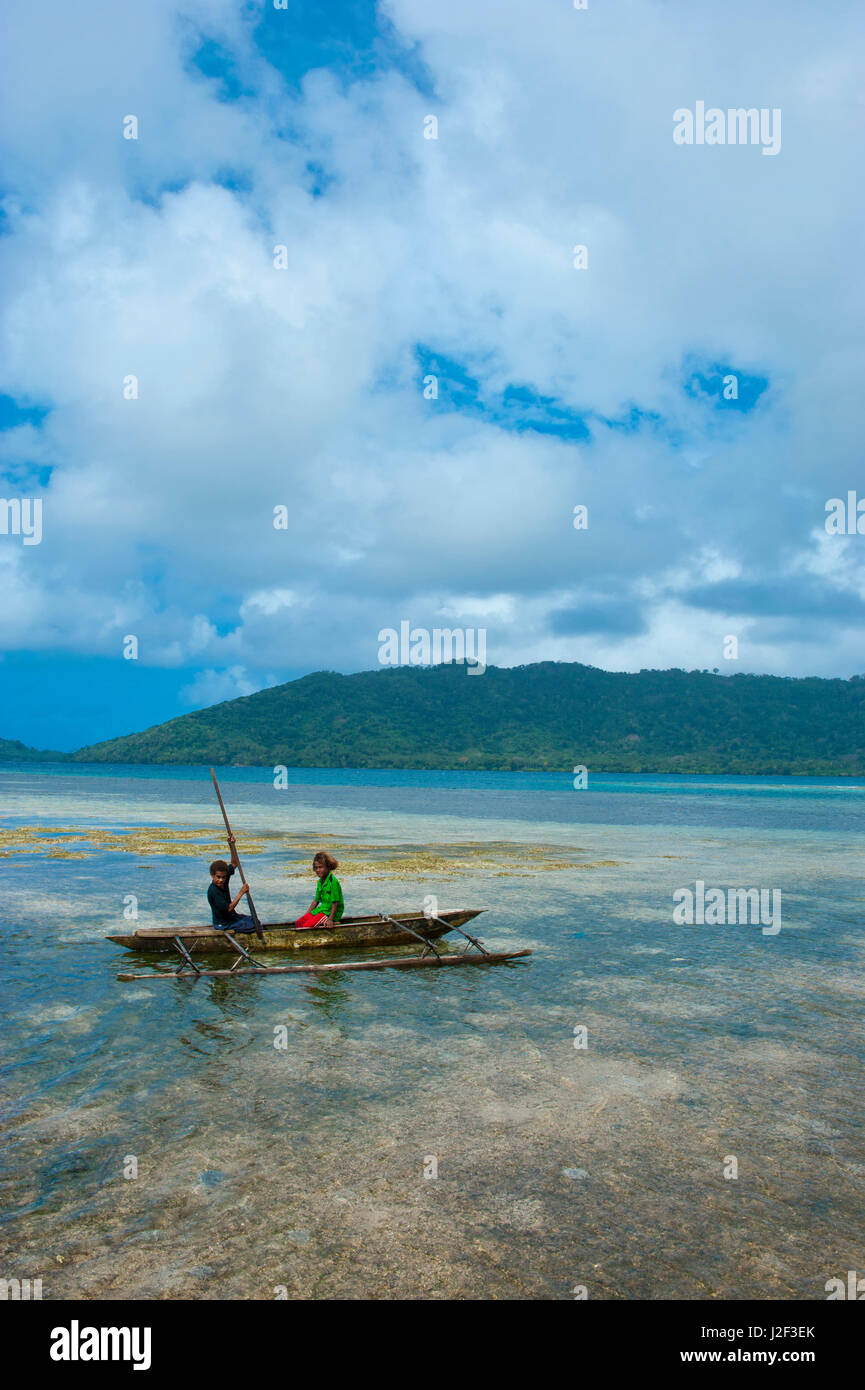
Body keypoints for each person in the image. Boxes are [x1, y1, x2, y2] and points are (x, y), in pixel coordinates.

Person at [294, 852, 344, 930]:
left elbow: (335, 902)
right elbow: (316, 901)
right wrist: (307, 915)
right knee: (299, 923)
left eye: (320, 867)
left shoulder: (333, 881)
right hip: (321, 911)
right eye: (316, 868)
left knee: (305, 927)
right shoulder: (320, 882)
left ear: (328, 867)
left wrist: (330, 919)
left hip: (329, 914)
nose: (318, 870)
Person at [207, 858, 255, 933]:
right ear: (212, 875)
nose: (221, 880)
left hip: (232, 918)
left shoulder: (225, 876)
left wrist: (232, 847)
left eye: (223, 877)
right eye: (218, 877)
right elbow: (229, 909)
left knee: (254, 920)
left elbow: (234, 863)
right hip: (223, 924)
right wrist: (241, 892)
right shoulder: (214, 891)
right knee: (252, 926)